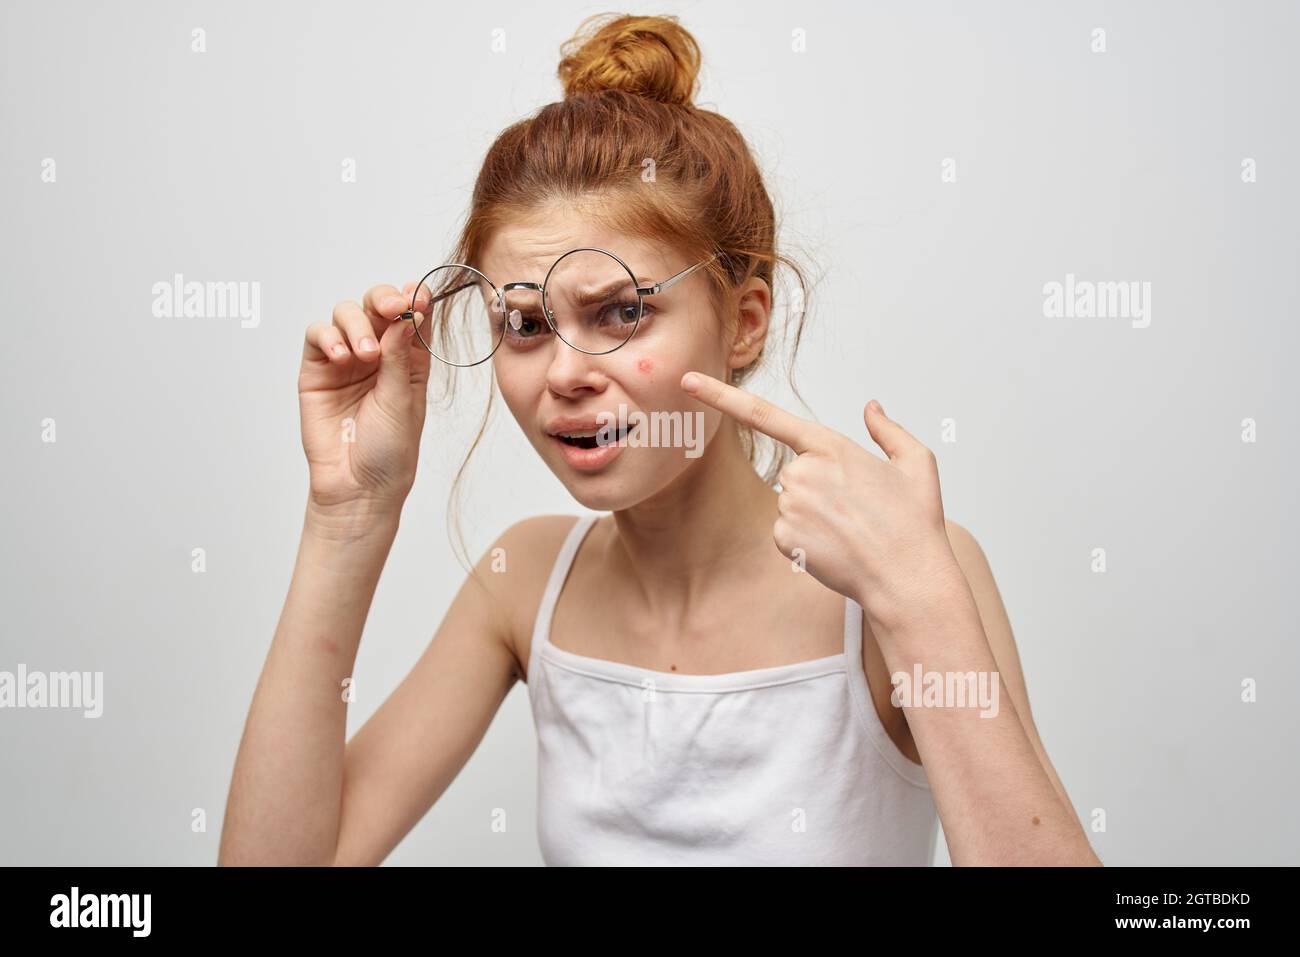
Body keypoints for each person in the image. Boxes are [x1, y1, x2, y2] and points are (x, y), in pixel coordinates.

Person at [218, 13, 1101, 866]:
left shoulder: (899, 573)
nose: (565, 372)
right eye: (524, 324)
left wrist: (918, 600)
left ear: (744, 321)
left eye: (624, 311)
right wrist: (348, 515)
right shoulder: (523, 584)